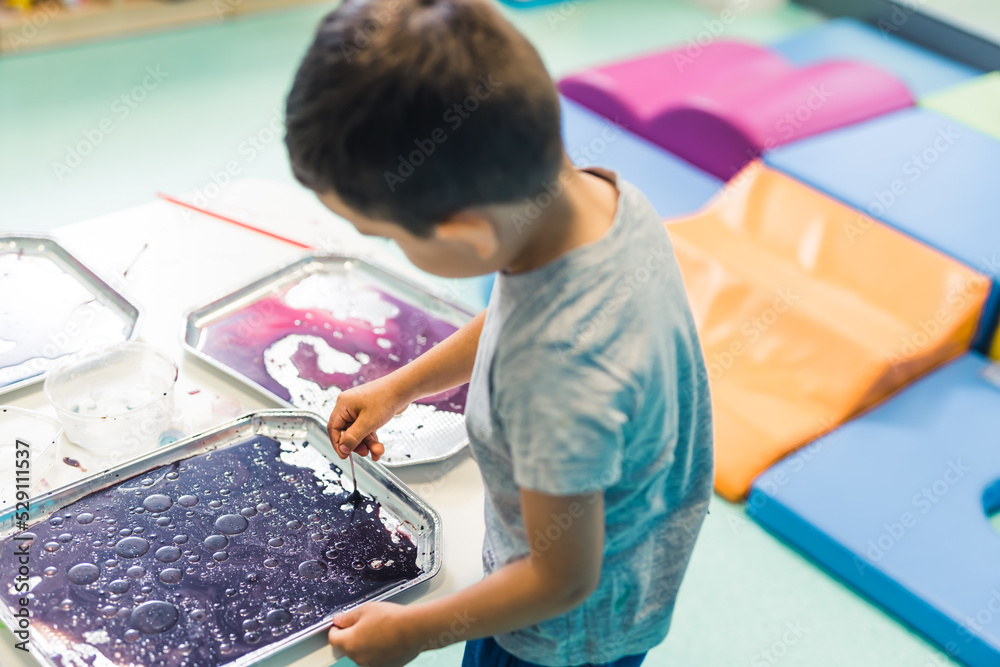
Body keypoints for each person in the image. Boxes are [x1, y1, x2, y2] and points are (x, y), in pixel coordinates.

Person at [284, 1, 714, 665]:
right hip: (614, 567)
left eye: (386, 237)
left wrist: (412, 630)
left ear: (466, 236)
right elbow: (521, 309)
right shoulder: (595, 202)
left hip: (560, 636)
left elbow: (561, 577)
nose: (386, 245)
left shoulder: (555, 374)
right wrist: (403, 386)